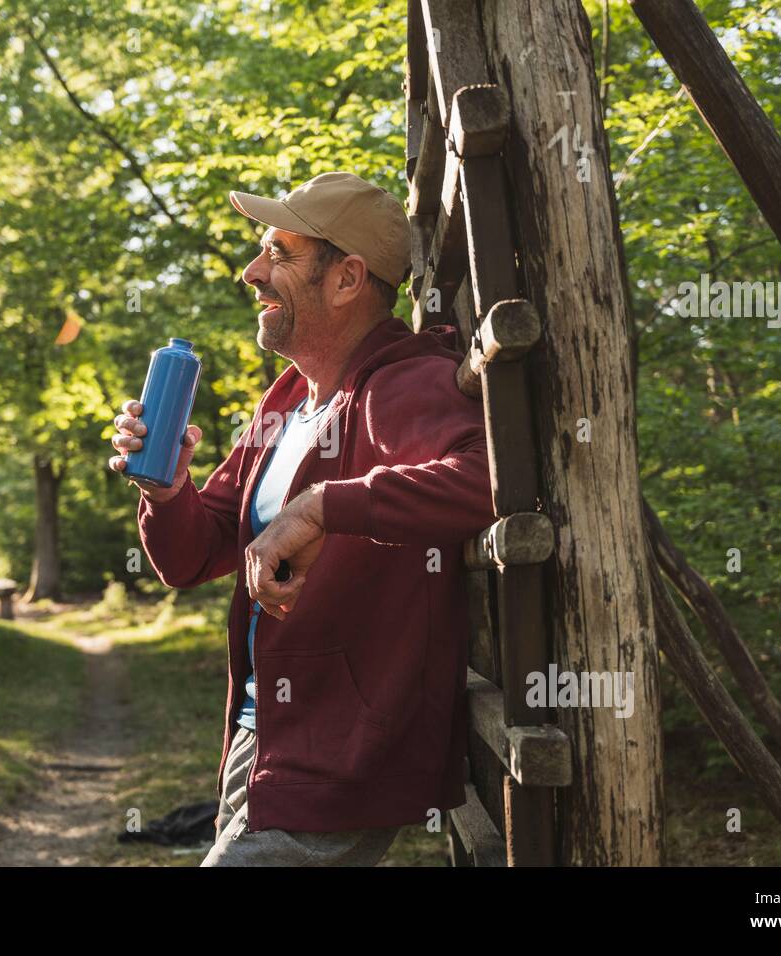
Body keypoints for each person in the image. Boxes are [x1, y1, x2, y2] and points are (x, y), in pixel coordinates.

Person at [106, 171, 496, 866]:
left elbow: (491, 481)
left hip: (342, 749)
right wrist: (167, 490)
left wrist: (323, 507)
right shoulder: (285, 402)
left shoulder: (405, 383)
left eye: (279, 255)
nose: (252, 273)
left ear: (347, 279)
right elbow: (192, 556)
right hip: (260, 742)